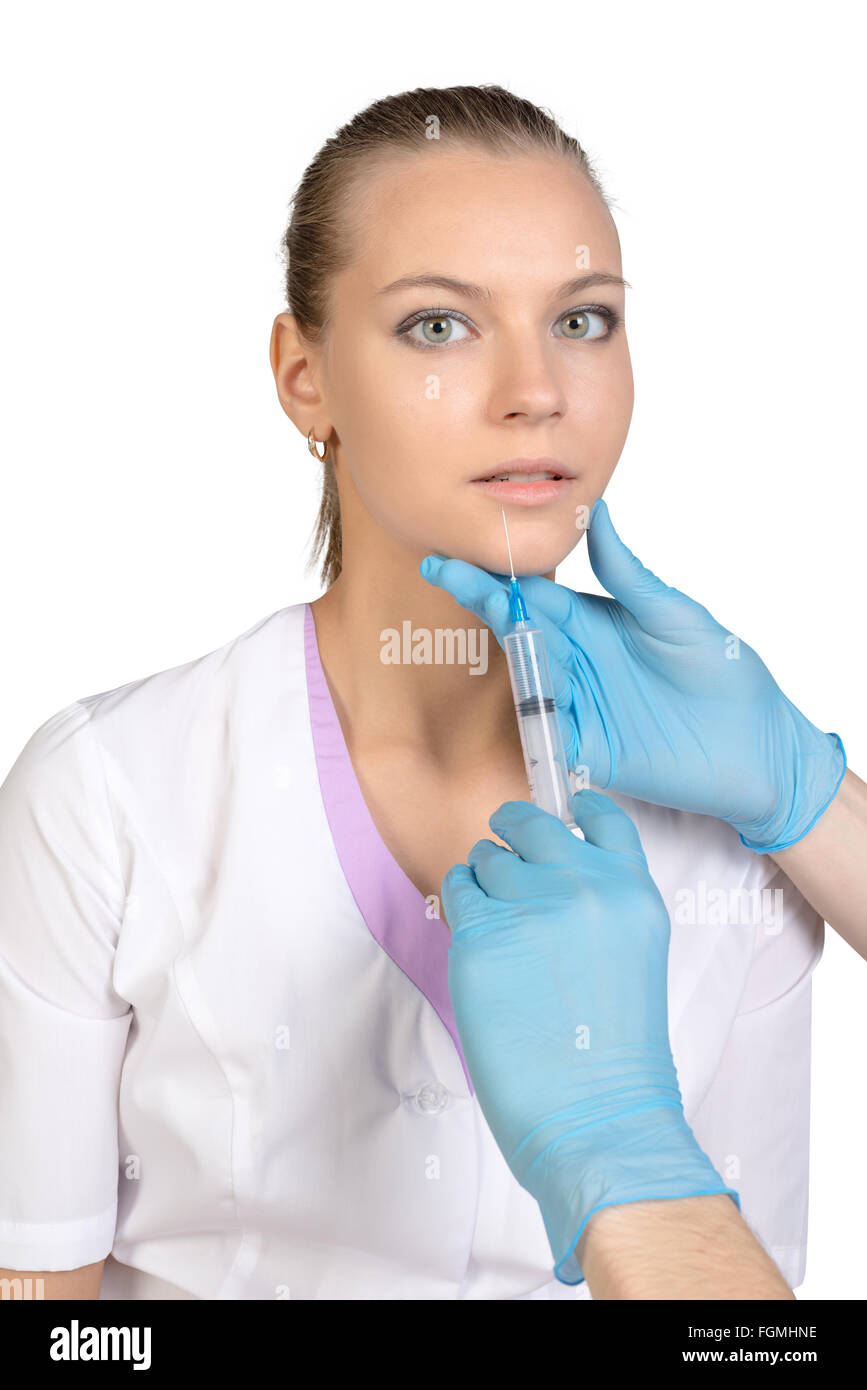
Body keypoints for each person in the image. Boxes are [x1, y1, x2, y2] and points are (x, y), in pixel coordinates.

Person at [0, 84, 837, 1300]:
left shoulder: (740, 841)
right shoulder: (109, 797)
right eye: (441, 327)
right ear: (305, 378)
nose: (536, 388)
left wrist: (807, 801)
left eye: (585, 320)